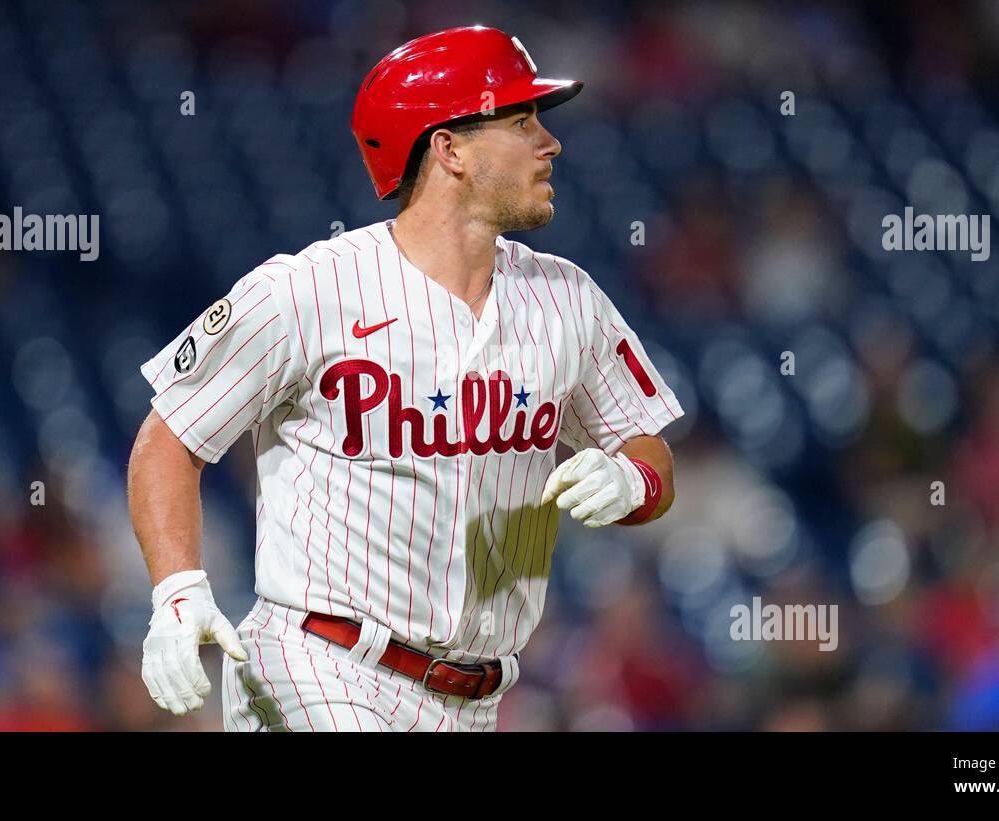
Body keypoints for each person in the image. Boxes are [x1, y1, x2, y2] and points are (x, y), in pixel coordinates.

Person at [127, 25, 684, 732]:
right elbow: (169, 437)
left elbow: (647, 448)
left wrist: (634, 479)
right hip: (319, 661)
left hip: (479, 697)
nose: (550, 142)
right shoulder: (310, 288)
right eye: (520, 120)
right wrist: (178, 590)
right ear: (448, 147)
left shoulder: (569, 298)